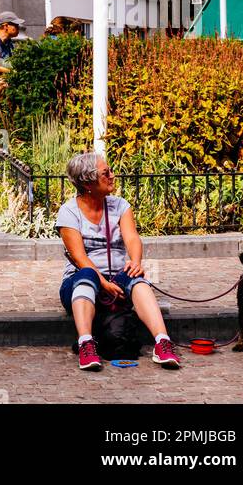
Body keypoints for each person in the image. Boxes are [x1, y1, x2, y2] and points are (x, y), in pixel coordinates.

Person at [57, 151, 181, 372]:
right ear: (88, 182)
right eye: (106, 173)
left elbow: (132, 238)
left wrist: (135, 261)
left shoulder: (120, 206)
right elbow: (79, 257)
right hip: (81, 282)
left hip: (117, 278)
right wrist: (103, 283)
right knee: (86, 275)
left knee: (137, 278)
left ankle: (163, 342)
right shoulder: (68, 212)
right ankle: (86, 344)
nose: (113, 175)